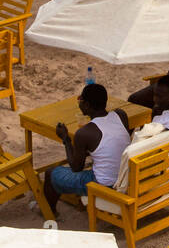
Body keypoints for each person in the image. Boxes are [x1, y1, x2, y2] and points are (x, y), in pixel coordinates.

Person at [42, 83, 131, 216]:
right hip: (124, 177)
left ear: (87, 106)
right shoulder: (120, 115)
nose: (79, 104)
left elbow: (76, 168)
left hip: (103, 184)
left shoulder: (84, 133)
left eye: (81, 100)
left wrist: (66, 139)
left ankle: (50, 213)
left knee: (50, 173)